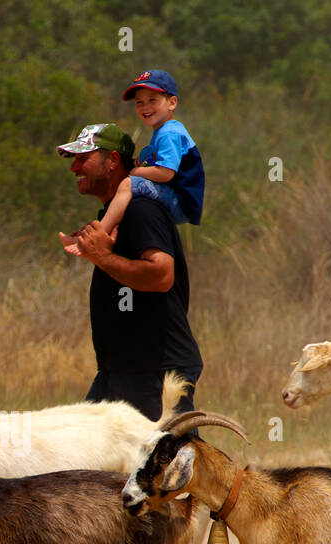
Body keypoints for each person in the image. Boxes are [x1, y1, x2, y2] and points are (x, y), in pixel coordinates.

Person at [56, 122, 202, 421]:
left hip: (151, 371)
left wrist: (102, 257)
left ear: (112, 161)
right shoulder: (118, 213)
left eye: (83, 159)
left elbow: (161, 275)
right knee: (91, 458)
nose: (75, 168)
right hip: (124, 371)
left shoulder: (140, 209)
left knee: (170, 462)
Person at [59, 69, 204, 256]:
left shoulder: (169, 133)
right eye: (139, 102)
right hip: (177, 199)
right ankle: (86, 236)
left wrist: (135, 173)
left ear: (172, 102)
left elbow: (166, 173)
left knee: (128, 186)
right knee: (128, 194)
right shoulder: (163, 132)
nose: (145, 107)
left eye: (152, 100)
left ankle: (94, 236)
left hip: (180, 200)